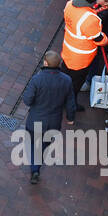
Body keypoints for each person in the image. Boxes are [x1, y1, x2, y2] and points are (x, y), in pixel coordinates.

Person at [20, 51, 75, 183]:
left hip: (35, 121)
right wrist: (70, 117)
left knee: (33, 145)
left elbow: (27, 100)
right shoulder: (66, 80)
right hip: (53, 123)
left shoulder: (37, 79)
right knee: (44, 145)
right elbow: (71, 102)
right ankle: (36, 166)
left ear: (45, 63)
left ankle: (35, 169)